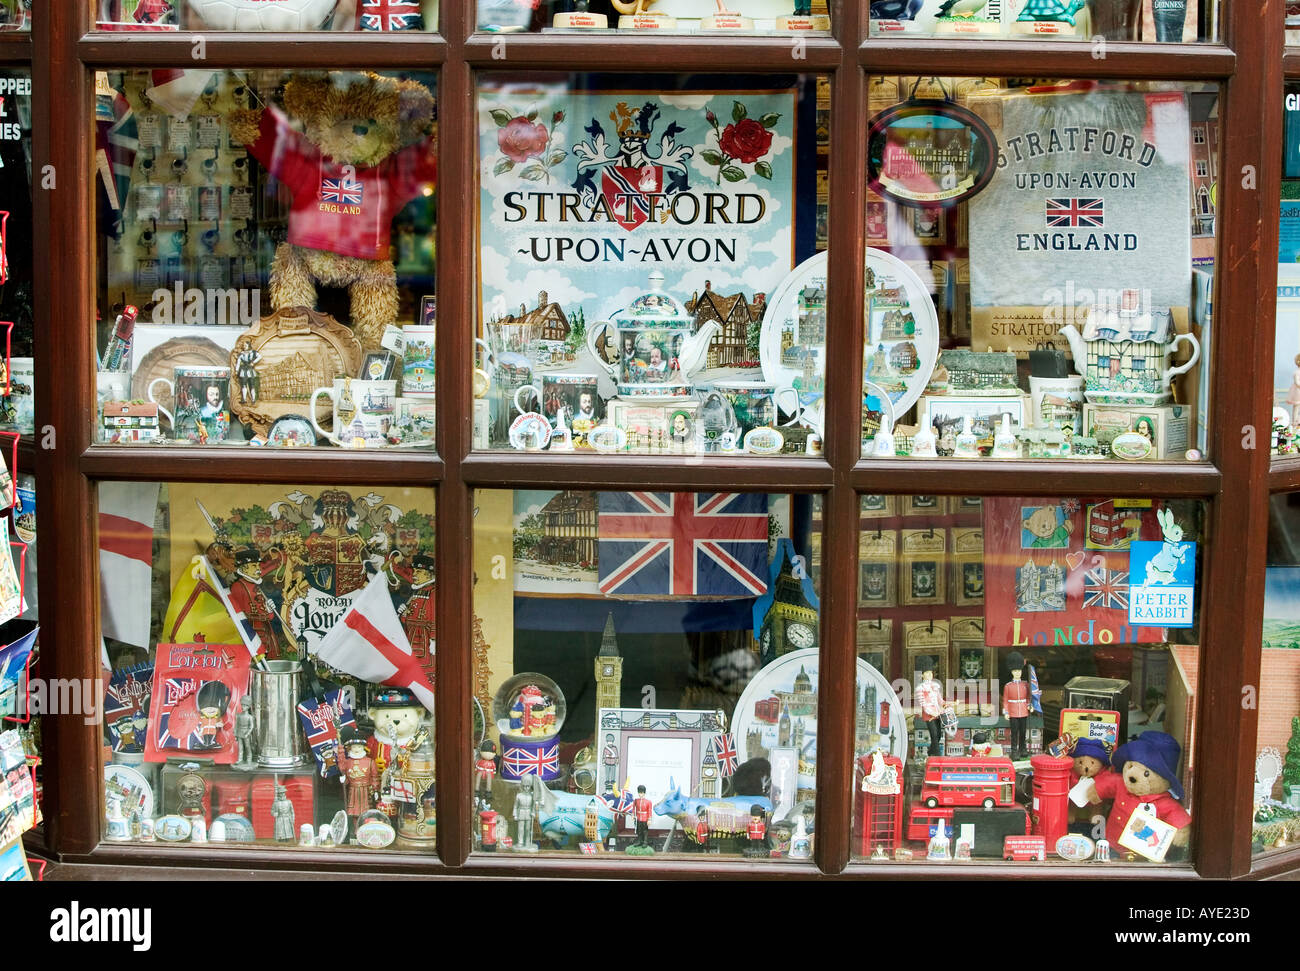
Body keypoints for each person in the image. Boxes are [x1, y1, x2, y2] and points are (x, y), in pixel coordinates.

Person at [1003, 651, 1032, 760]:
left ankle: (1023, 748)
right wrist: (1006, 712)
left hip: (1023, 711)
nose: (1017, 673)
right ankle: (1014, 750)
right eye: (1015, 671)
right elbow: (1005, 700)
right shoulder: (1008, 686)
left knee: (1023, 732)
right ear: (1012, 672)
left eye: (1019, 670)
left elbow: (1028, 697)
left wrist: (1029, 705)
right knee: (1014, 733)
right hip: (1013, 712)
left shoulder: (1025, 684)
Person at [915, 656, 945, 758]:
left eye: (931, 673)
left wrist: (949, 704)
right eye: (927, 673)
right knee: (934, 735)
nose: (930, 675)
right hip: (928, 715)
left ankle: (930, 753)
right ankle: (937, 757)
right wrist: (933, 712)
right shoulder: (920, 689)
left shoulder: (935, 686)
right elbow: (924, 705)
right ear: (922, 675)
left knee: (939, 735)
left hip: (937, 713)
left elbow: (940, 701)